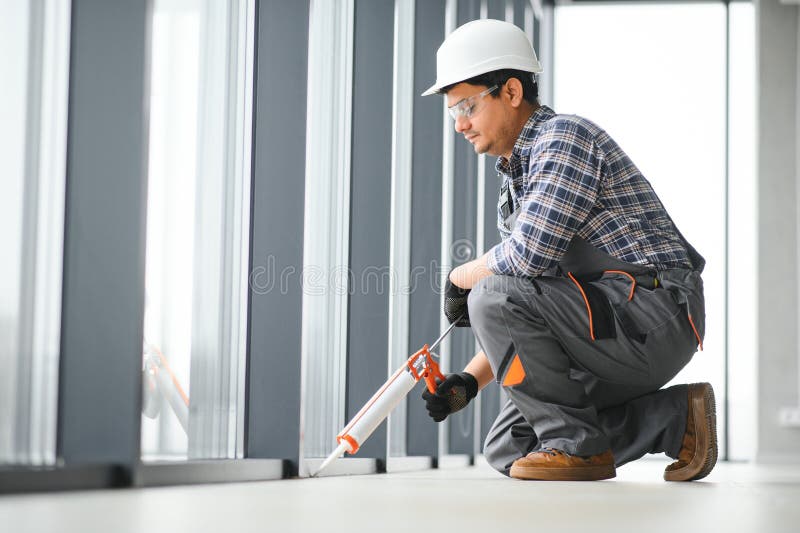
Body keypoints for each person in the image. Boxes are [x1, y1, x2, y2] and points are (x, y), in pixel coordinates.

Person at [420, 19, 716, 482]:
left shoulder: (563, 139)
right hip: (607, 327)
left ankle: (577, 448)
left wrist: (461, 276)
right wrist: (467, 383)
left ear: (512, 92)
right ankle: (675, 420)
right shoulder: (516, 184)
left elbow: (521, 265)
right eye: (452, 110)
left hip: (654, 315)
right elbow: (528, 302)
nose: (459, 124)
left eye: (468, 105)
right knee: (511, 449)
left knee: (491, 292)